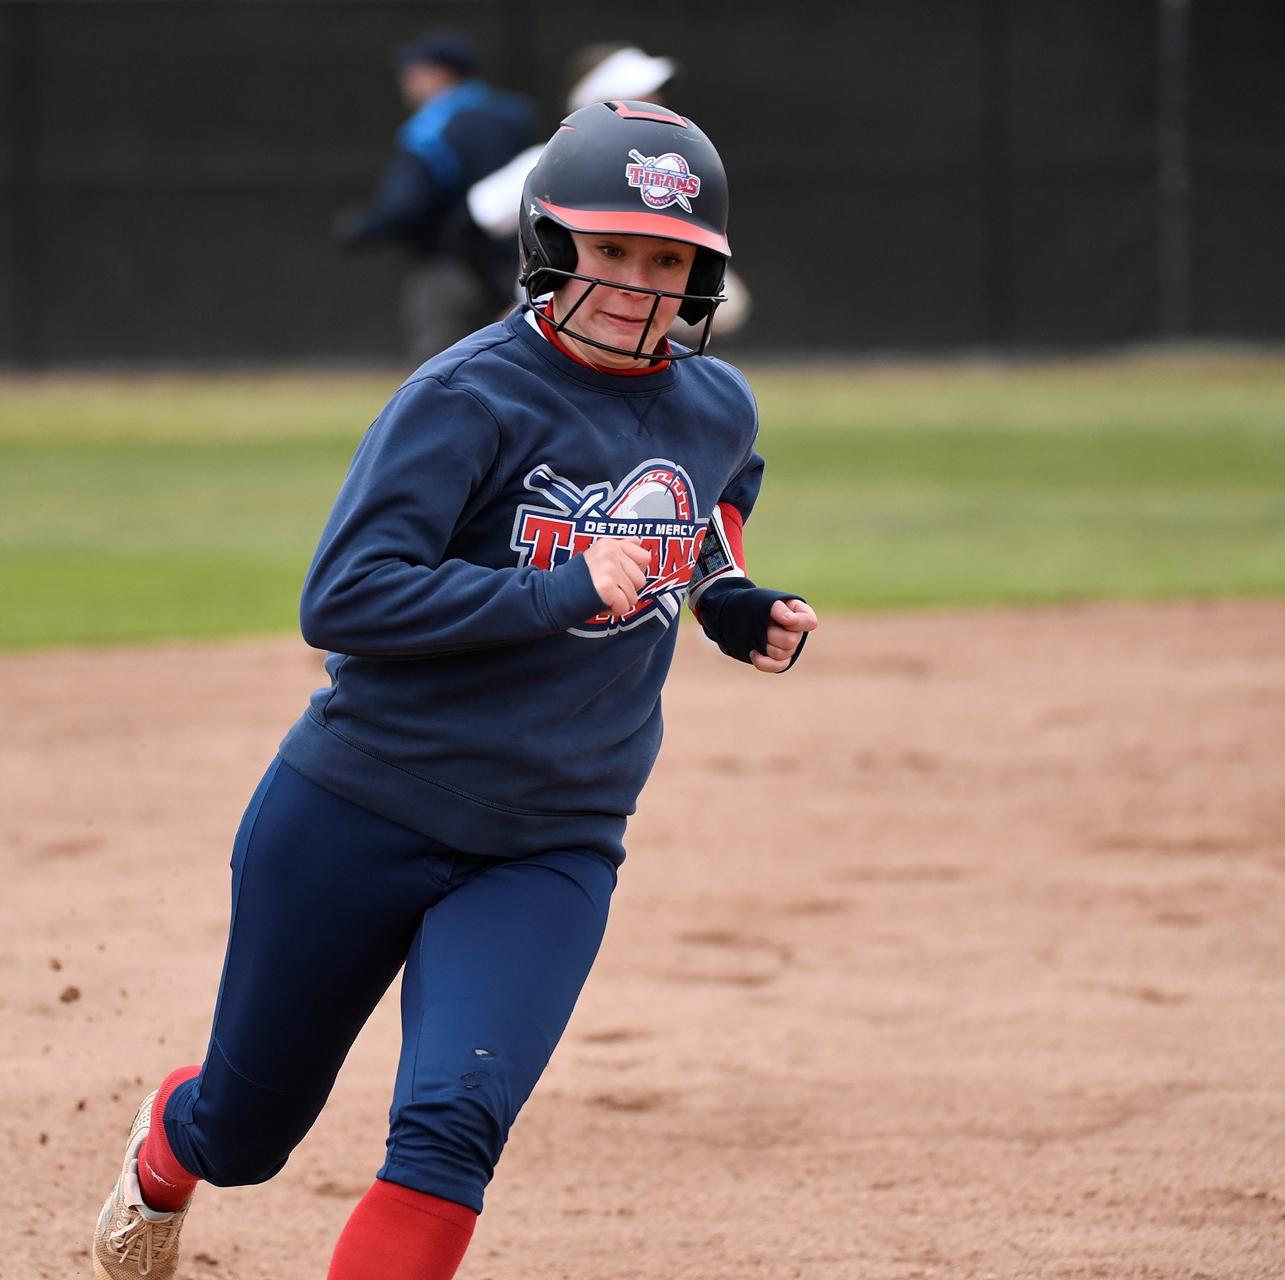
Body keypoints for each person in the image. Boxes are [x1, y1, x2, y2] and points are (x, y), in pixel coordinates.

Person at [91, 99, 818, 1280]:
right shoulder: (467, 395)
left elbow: (712, 500)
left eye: (670, 257)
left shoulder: (713, 400)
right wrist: (555, 594)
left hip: (555, 836)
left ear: (704, 272)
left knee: (449, 1130)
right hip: (361, 807)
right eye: (615, 247)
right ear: (551, 245)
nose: (640, 281)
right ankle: (173, 1142)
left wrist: (728, 599)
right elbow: (345, 597)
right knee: (249, 1132)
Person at [466, 44, 755, 345]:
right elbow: (472, 222)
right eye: (640, 95)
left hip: (629, 321)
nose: (654, 103)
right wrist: (500, 298)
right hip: (547, 316)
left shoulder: (668, 171)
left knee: (725, 305)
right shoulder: (555, 161)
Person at [335, 27, 537, 364]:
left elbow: (406, 207)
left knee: (439, 374)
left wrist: (359, 228)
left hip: (450, 270)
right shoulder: (515, 116)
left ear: (441, 73)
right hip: (520, 268)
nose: (406, 80)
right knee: (516, 368)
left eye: (414, 70)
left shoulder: (431, 126)